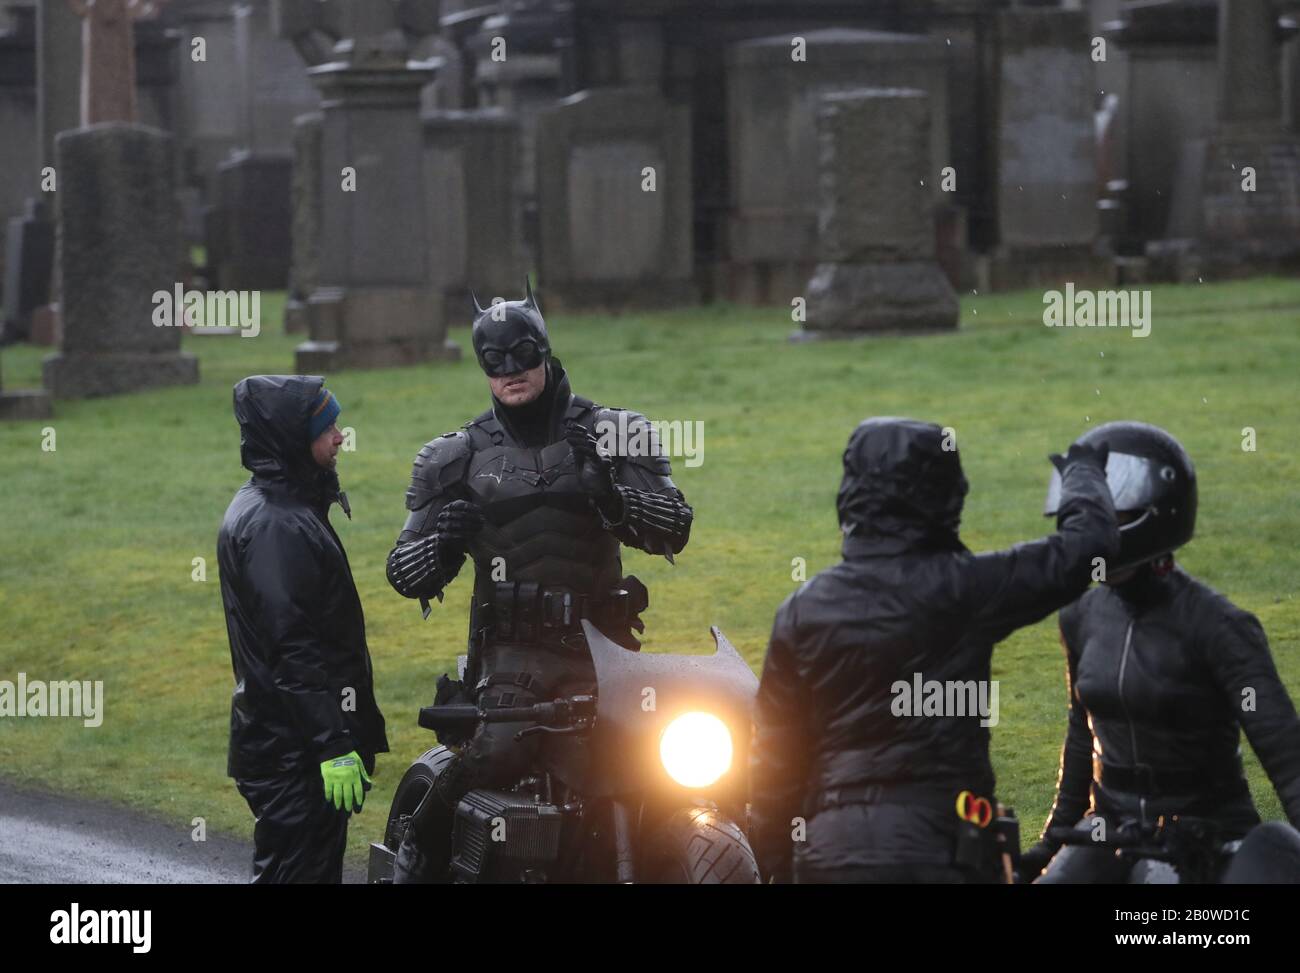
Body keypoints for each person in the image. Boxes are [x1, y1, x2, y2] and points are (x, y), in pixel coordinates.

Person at [385, 280, 693, 882]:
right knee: (496, 753)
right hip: (509, 662)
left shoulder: (615, 431)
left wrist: (612, 497)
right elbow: (404, 571)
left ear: (544, 350)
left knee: (673, 768)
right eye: (492, 361)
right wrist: (444, 540)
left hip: (606, 651)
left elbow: (675, 527)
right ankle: (418, 849)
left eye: (522, 353)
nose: (510, 371)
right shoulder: (456, 456)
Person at [749, 417, 1119, 883]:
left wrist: (782, 868)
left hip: (830, 849)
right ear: (945, 493)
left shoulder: (800, 612)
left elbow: (772, 769)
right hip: (942, 849)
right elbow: (1087, 548)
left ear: (851, 493)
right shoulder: (965, 588)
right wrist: (1082, 472)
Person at [1021, 421, 1300, 884]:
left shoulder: (1220, 627)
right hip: (1110, 834)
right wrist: (1048, 849)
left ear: (1153, 512)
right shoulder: (1081, 616)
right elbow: (1080, 741)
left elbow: (1289, 760)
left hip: (1207, 841)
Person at [218, 375, 387, 883]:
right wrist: (331, 745)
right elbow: (291, 649)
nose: (340, 437)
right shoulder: (275, 525)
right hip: (292, 751)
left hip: (287, 742)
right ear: (294, 438)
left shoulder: (284, 506)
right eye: (328, 427)